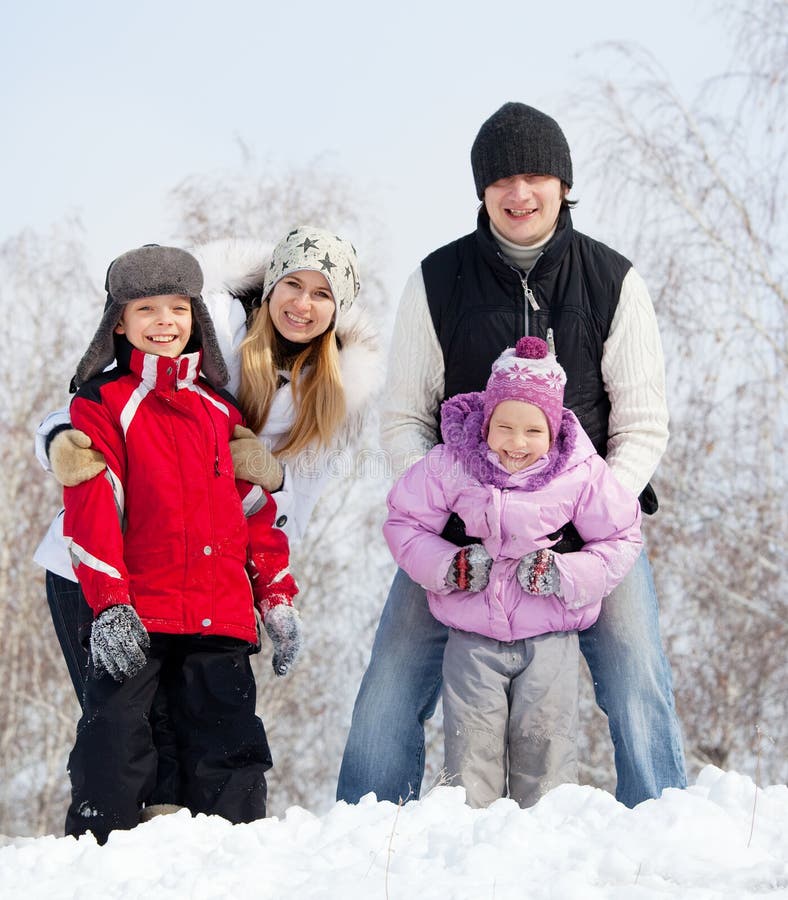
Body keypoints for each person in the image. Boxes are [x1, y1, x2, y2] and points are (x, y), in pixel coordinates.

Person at [338, 101, 687, 809]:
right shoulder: (436, 282)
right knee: (393, 676)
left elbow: (644, 423)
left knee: (635, 669)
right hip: (464, 532)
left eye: (534, 176)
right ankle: (366, 832)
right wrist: (445, 508)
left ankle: (660, 821)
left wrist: (587, 515)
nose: (518, 193)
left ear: (562, 183)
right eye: (501, 180)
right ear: (482, 191)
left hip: (586, 534)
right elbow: (406, 416)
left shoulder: (614, 281)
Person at [34, 226, 382, 812]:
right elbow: (87, 415)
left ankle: (209, 866)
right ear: (270, 285)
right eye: (292, 283)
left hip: (206, 590)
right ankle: (116, 862)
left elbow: (273, 514)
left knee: (210, 747)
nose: (303, 303)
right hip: (107, 571)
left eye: (322, 294)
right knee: (127, 738)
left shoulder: (335, 395)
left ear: (339, 307)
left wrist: (276, 592)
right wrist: (59, 443)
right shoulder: (208, 319)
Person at [61, 244, 300, 843]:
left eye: (178, 307)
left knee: (229, 757)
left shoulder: (220, 409)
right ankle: (99, 869)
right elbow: (91, 510)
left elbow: (254, 514)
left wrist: (277, 600)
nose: (165, 321)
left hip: (220, 620)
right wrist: (110, 604)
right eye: (146, 308)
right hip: (141, 613)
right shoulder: (102, 405)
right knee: (116, 753)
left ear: (195, 314)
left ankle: (236, 868)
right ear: (119, 320)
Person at [383, 337, 642, 808]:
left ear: (554, 429)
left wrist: (566, 573)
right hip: (472, 640)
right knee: (469, 757)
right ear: (486, 421)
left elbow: (622, 538)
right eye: (504, 427)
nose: (516, 444)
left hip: (550, 641)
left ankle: (542, 857)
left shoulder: (579, 473)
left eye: (532, 431)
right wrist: (450, 566)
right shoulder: (452, 464)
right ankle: (472, 854)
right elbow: (405, 523)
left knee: (547, 756)